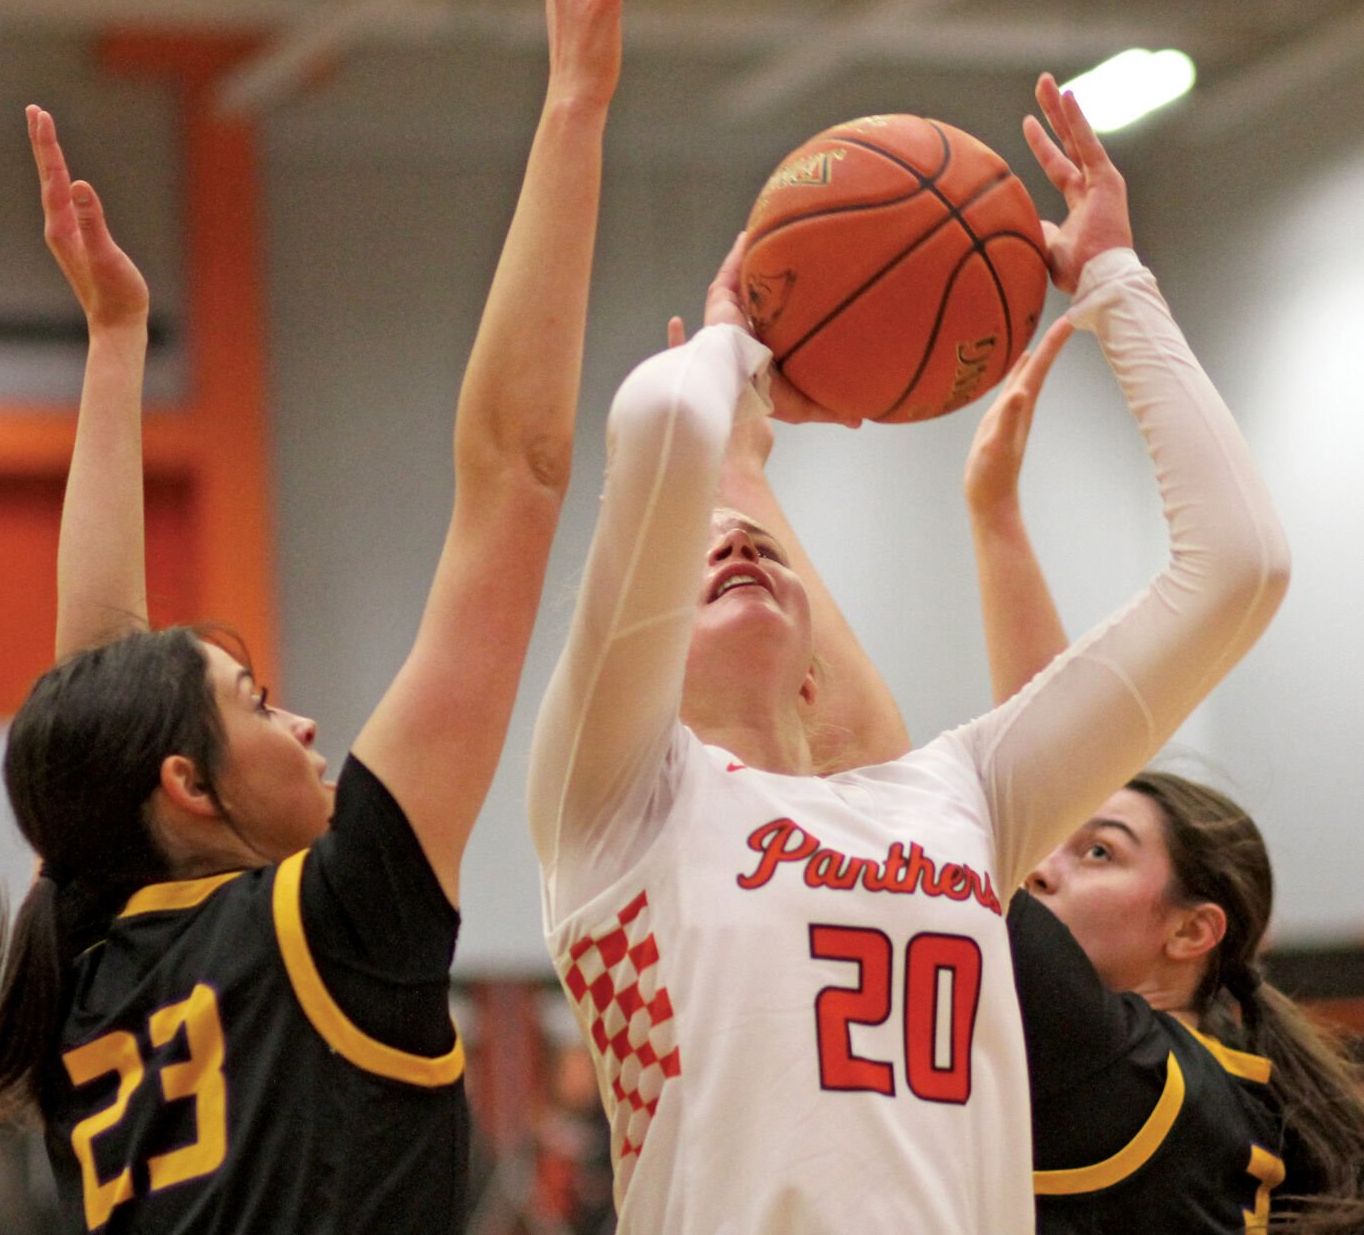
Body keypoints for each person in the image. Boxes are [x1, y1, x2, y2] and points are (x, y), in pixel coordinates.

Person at [0, 0, 640, 1235]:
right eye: (259, 704)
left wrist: (119, 345)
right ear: (187, 787)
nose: (307, 724)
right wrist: (572, 109)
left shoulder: (92, 967)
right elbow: (518, 475)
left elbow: (98, 697)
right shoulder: (330, 921)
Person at [525, 75, 1290, 1233]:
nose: (735, 545)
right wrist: (738, 351)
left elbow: (1243, 565)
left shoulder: (958, 799)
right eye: (699, 546)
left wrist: (1116, 287)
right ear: (632, 664)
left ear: (818, 670)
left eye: (753, 537)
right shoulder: (618, 808)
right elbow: (662, 428)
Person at [963, 313, 1364, 1233]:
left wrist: (737, 474)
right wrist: (995, 519)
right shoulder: (1194, 1074)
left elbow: (1021, 780)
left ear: (1190, 932)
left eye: (1098, 854)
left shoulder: (1126, 1072)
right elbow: (1048, 757)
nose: (1040, 866)